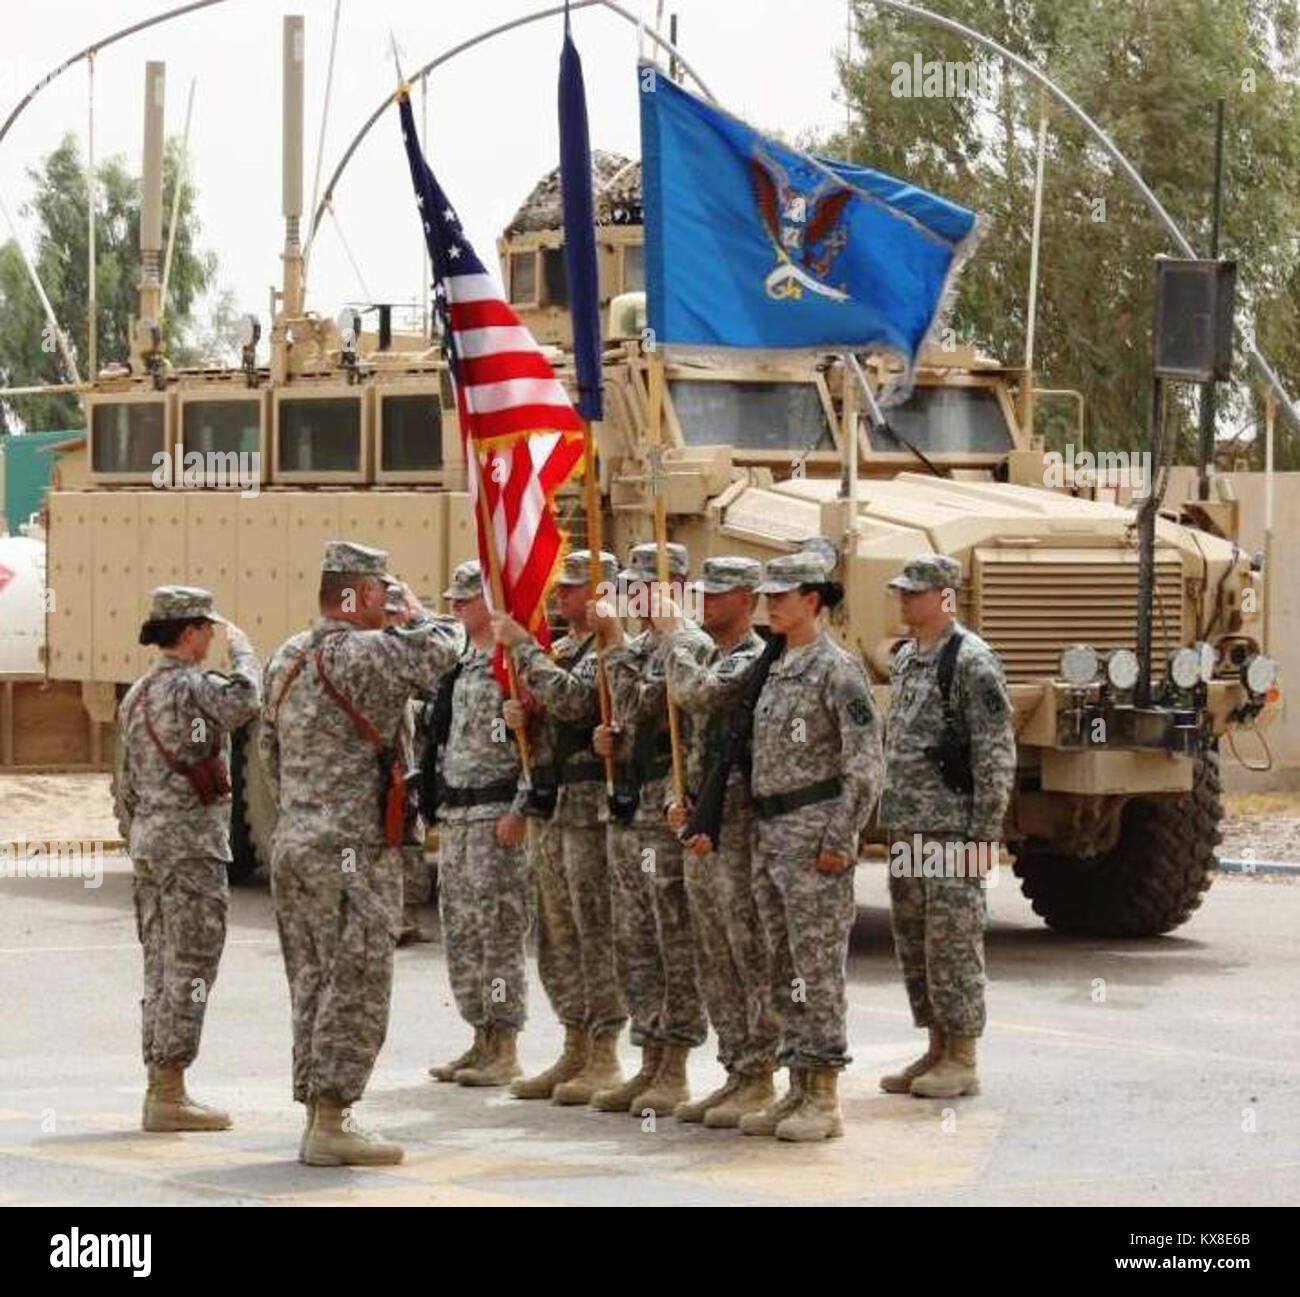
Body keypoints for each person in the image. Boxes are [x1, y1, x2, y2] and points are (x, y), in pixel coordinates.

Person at [666, 541, 883, 1142]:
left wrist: (841, 838)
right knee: (780, 963)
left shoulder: (836, 670)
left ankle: (824, 1094)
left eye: (781, 598)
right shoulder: (774, 667)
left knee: (815, 967)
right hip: (768, 835)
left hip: (813, 834)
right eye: (767, 597)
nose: (770, 608)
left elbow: (865, 765)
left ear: (812, 601)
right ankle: (793, 1085)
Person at [261, 541, 462, 1165]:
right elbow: (445, 648)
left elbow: (269, 754)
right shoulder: (363, 652)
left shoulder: (286, 656)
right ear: (368, 594)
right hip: (351, 851)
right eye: (385, 592)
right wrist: (418, 610)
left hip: (295, 843)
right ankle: (332, 1122)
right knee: (357, 981)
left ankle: (319, 1113)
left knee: (314, 982)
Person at [114, 585, 261, 1132]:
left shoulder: (137, 694)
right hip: (191, 847)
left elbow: (125, 780)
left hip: (150, 841)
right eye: (208, 629)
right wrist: (245, 655)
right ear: (191, 631)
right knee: (193, 963)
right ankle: (170, 1090)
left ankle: (162, 1082)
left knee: (159, 963)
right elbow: (246, 702)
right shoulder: (195, 687)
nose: (212, 638)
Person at [878, 554, 1015, 1100]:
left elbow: (995, 752)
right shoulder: (909, 659)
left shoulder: (973, 661)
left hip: (952, 831)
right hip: (909, 826)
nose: (905, 600)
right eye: (903, 591)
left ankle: (962, 1055)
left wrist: (984, 835)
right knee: (915, 939)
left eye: (915, 592)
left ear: (946, 597)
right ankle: (935, 1046)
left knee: (952, 941)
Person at [492, 549, 626, 1104]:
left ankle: (604, 1051)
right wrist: (517, 721)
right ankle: (573, 1040)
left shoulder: (610, 651)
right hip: (552, 802)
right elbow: (546, 723)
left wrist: (524, 649)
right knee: (555, 932)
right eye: (563, 586)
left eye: (574, 587)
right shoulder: (563, 651)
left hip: (590, 807)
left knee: (594, 930)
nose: (561, 595)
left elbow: (575, 704)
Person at [656, 555, 780, 1127]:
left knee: (745, 949)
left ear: (748, 600)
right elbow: (688, 743)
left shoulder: (755, 658)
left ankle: (760, 1072)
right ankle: (735, 1068)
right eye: (701, 593)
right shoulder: (713, 653)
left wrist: (675, 635)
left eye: (719, 593)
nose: (705, 602)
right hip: (703, 823)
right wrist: (674, 800)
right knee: (711, 953)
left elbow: (698, 696)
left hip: (739, 828)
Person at [589, 542, 711, 1115]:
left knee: (673, 939)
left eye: (645, 585)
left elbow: (688, 706)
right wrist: (608, 739)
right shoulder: (637, 647)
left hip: (668, 806)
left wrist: (663, 635)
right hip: (631, 805)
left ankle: (677, 1064)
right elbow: (630, 711)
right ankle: (648, 1056)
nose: (633, 595)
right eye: (629, 585)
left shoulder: (694, 645)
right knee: (633, 939)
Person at [425, 559, 530, 1088]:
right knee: (462, 929)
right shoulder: (463, 665)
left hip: (495, 814)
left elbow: (537, 750)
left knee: (498, 931)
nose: (455, 608)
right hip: (458, 814)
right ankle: (479, 1037)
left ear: (489, 603)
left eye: (465, 600)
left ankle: (504, 1044)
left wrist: (521, 808)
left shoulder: (512, 665)